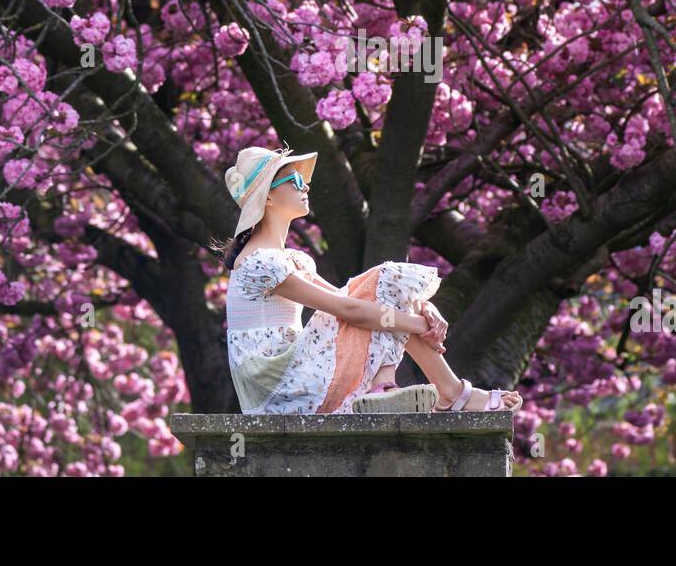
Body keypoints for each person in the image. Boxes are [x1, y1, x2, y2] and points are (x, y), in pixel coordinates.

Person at [216, 145, 523, 415]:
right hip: (279, 394)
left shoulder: (288, 259)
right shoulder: (260, 262)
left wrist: (422, 307)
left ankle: (389, 388)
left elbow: (357, 298)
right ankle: (445, 393)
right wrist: (418, 325)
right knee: (385, 279)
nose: (305, 186)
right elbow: (349, 311)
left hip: (294, 378)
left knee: (385, 283)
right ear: (268, 197)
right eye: (295, 180)